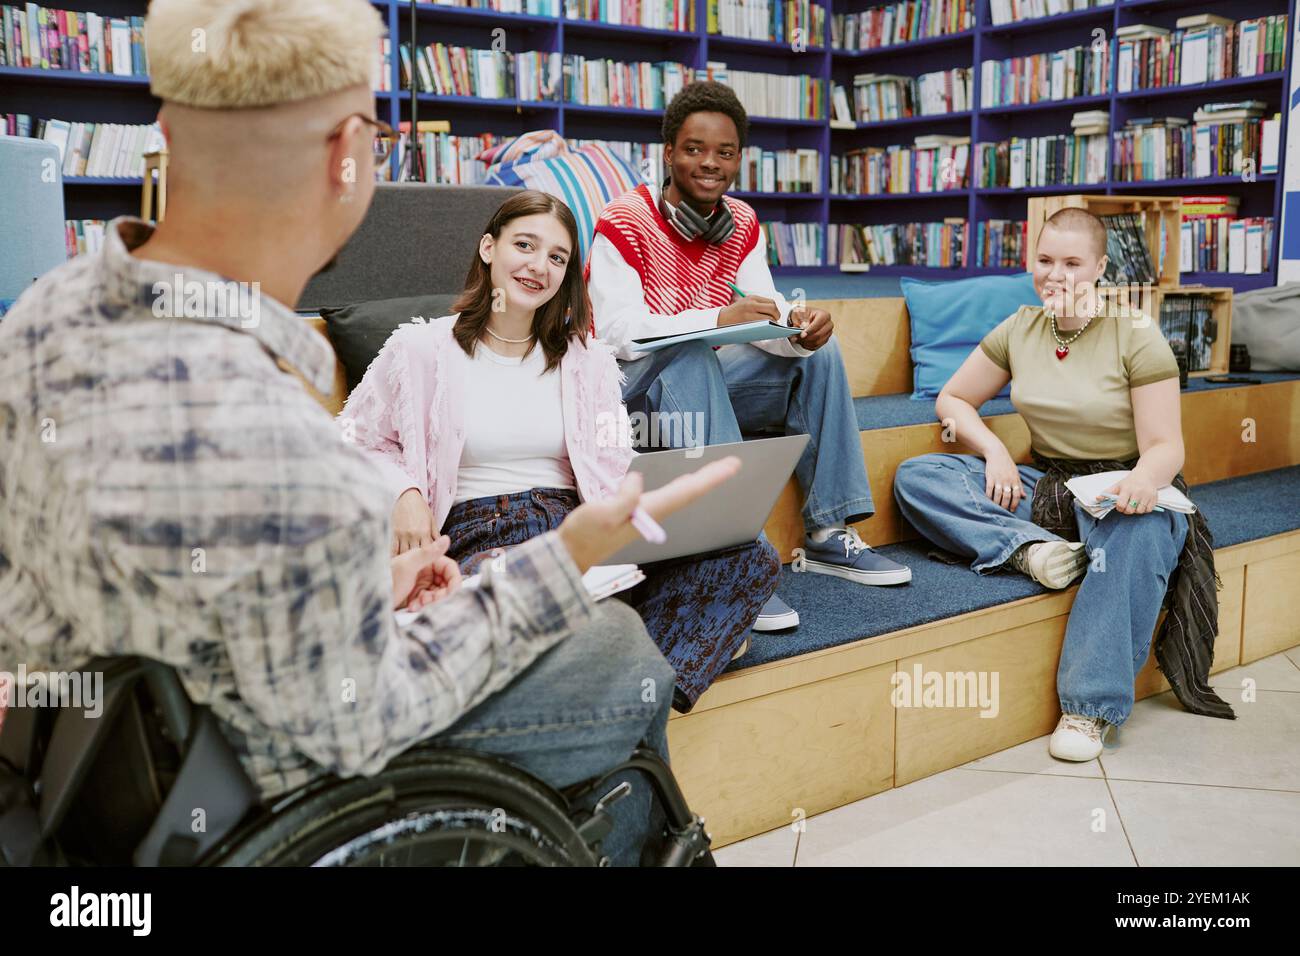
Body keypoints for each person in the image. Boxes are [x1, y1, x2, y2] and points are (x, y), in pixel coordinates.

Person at [0, 0, 741, 866]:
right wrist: (564, 558)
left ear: (166, 130)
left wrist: (360, 578)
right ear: (347, 156)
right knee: (618, 653)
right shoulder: (272, 429)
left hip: (85, 784)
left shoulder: (46, 314)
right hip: (254, 791)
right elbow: (360, 717)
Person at [340, 189, 780, 713]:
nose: (538, 266)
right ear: (488, 248)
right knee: (519, 601)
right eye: (524, 245)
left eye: (557, 257)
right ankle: (625, 678)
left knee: (751, 556)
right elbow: (351, 441)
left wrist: (645, 515)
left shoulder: (586, 360)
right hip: (484, 536)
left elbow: (613, 464)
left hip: (579, 529)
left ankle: (640, 690)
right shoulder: (421, 349)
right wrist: (404, 493)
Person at [892, 207, 1234, 762]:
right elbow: (953, 399)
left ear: (1100, 266)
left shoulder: (1137, 335)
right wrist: (995, 450)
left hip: (1123, 484)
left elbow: (1167, 446)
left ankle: (1089, 708)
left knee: (1144, 533)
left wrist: (1145, 482)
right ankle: (1031, 552)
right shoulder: (1020, 326)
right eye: (1046, 260)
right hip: (1049, 485)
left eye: (1073, 262)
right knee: (921, 475)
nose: (1057, 275)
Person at [585, 80, 911, 635]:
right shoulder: (622, 222)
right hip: (631, 398)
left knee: (819, 356)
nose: (710, 163)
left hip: (705, 389)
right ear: (668, 153)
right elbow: (620, 336)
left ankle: (829, 533)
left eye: (725, 152)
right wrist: (714, 320)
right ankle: (741, 562)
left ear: (739, 158)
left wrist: (794, 330)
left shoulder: (742, 223)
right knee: (690, 355)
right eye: (693, 149)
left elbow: (762, 315)